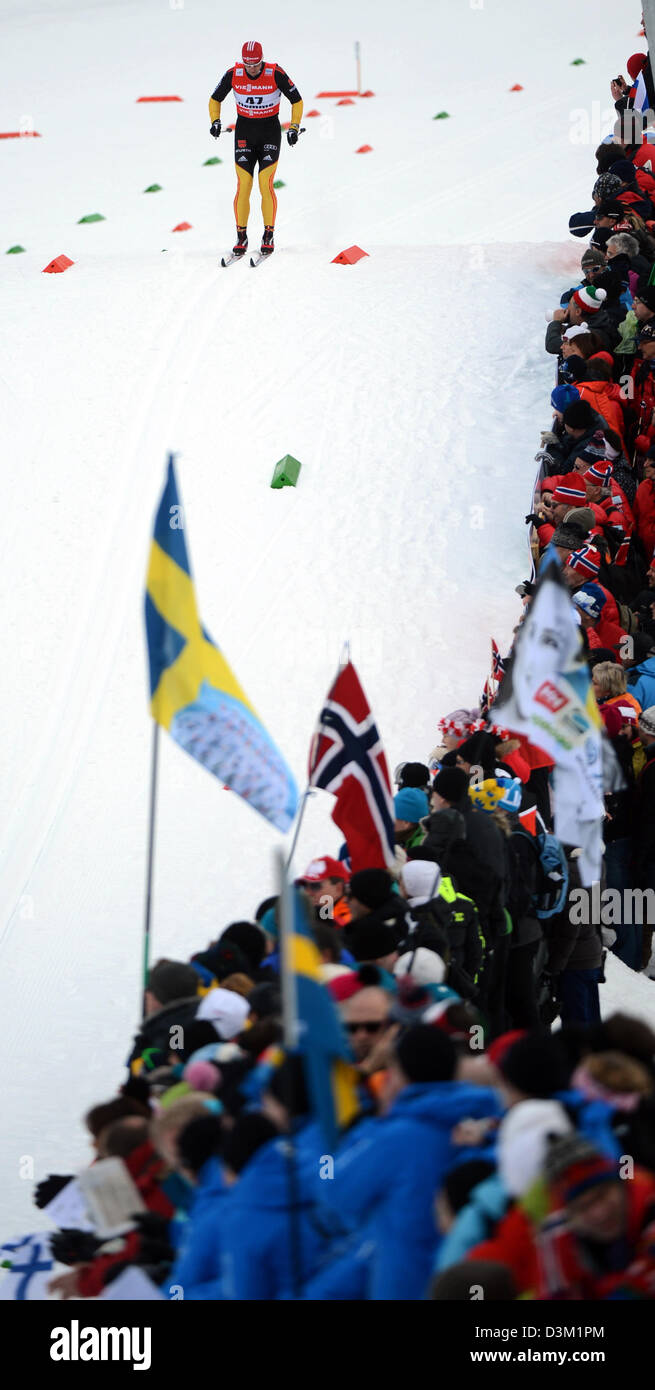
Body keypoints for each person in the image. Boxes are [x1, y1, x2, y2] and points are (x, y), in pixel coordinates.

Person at [208, 40, 303, 258]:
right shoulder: (233, 73)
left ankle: (268, 234)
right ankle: (241, 236)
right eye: (248, 64)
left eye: (256, 64)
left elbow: (297, 100)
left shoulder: (275, 73)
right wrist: (215, 121)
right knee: (244, 185)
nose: (251, 68)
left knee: (264, 184)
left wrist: (294, 127)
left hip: (269, 132)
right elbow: (215, 99)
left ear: (262, 60)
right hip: (244, 134)